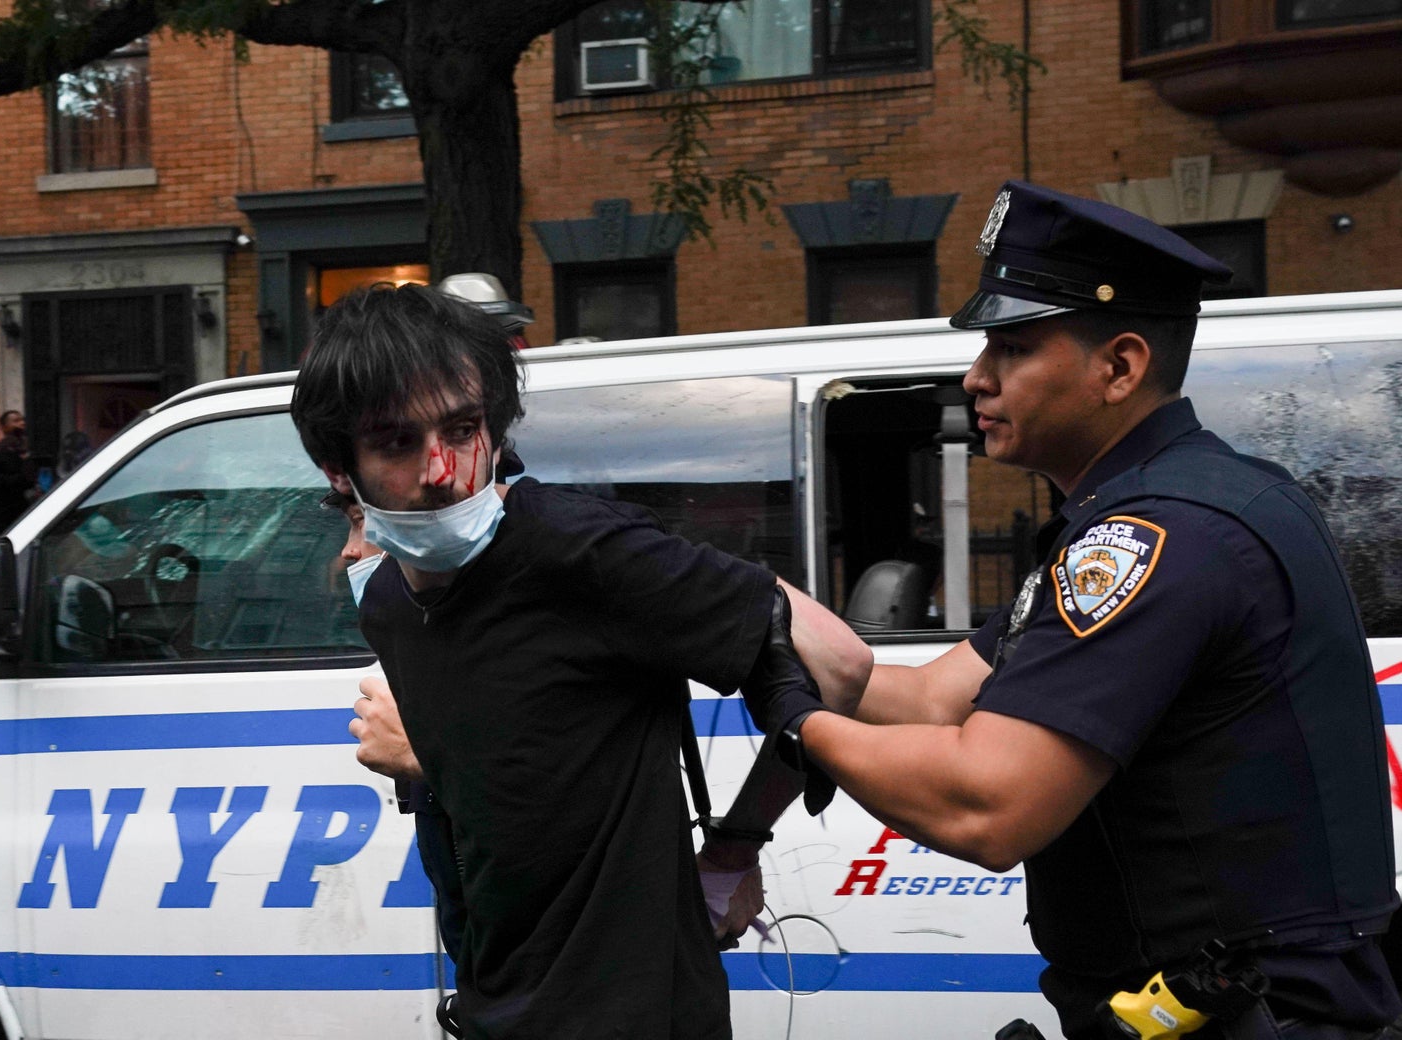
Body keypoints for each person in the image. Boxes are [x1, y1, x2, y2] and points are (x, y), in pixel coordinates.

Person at [760, 180, 1402, 1038]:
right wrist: (740, 603)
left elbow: (988, 807)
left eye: (1013, 346)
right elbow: (925, 698)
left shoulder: (1158, 536)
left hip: (1246, 1014)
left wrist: (801, 724)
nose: (976, 375)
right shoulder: (1187, 503)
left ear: (1121, 366)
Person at [290, 283, 872, 1039]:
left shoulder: (576, 548)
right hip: (502, 1004)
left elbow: (840, 665)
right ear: (341, 470)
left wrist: (735, 847)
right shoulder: (389, 603)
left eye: (464, 428)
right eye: (398, 442)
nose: (442, 469)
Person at [322, 485, 469, 965]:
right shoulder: (428, 650)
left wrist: (422, 755)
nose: (348, 549)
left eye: (361, 522)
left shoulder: (488, 652)